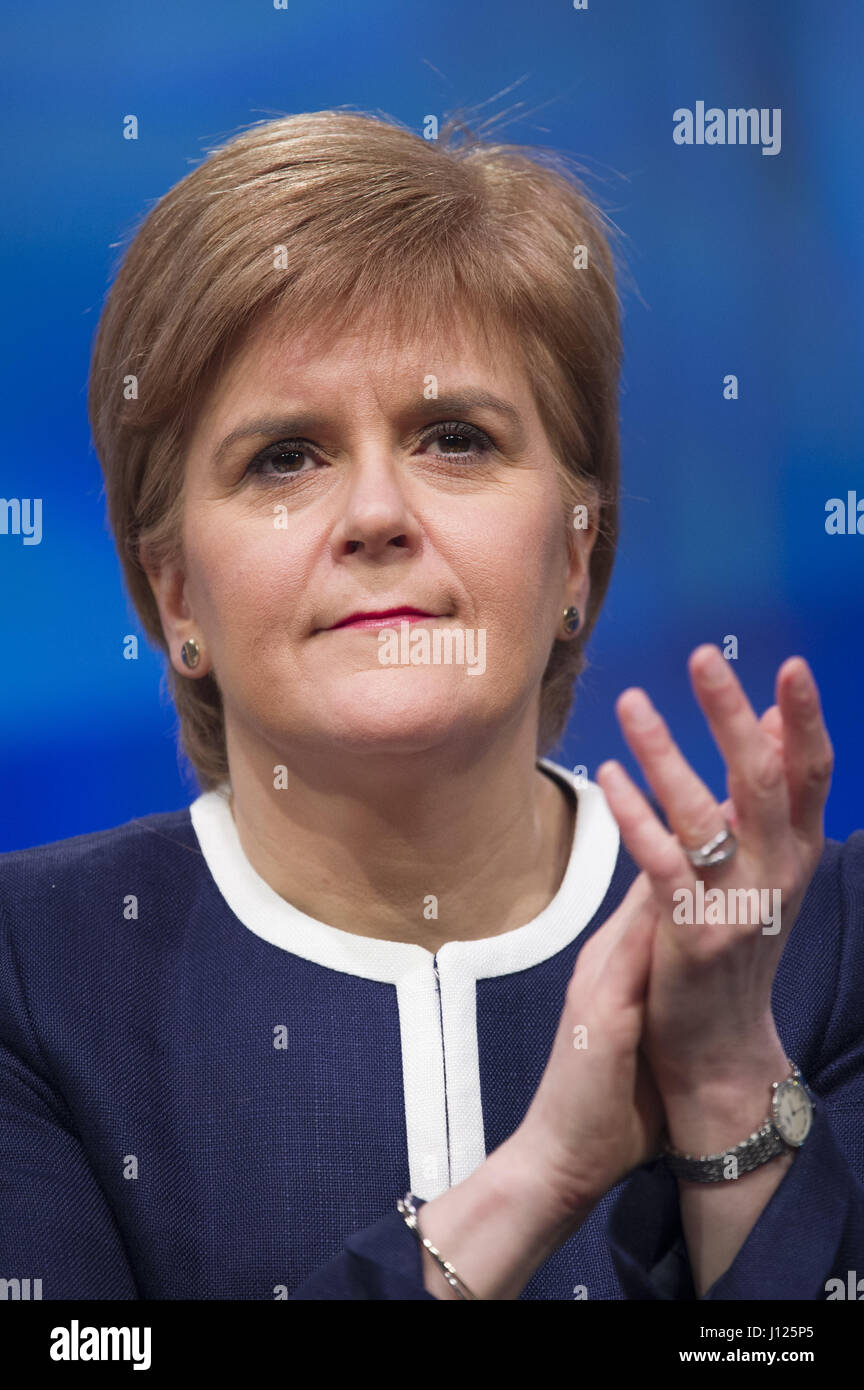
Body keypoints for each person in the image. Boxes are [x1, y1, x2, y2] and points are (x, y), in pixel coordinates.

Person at [1, 108, 862, 1302]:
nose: (375, 514)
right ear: (176, 590)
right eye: (285, 457)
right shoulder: (32, 978)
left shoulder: (822, 942)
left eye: (454, 438)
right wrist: (537, 1182)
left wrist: (725, 1090)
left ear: (576, 552)